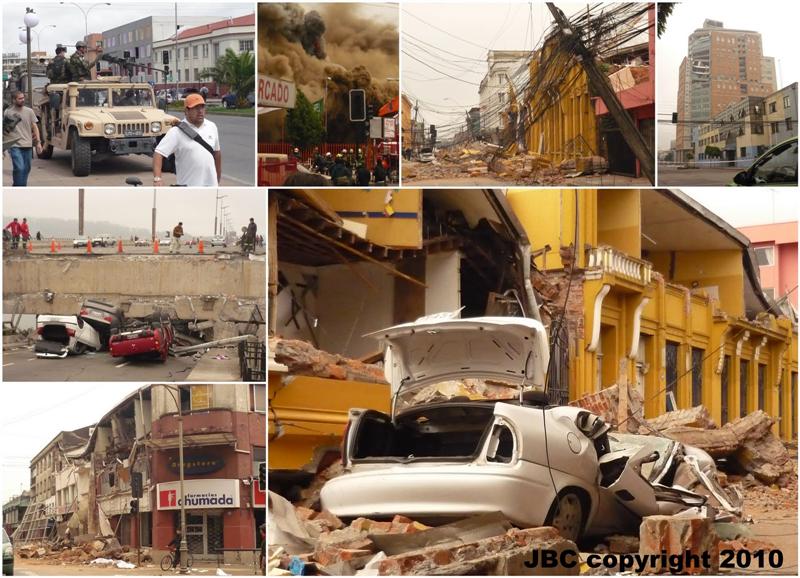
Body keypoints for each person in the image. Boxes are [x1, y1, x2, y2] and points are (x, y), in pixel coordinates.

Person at [153, 94, 221, 186]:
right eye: (196, 108)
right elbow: (158, 153)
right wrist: (157, 178)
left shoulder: (212, 126)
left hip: (211, 187)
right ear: (186, 111)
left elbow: (217, 154)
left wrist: (217, 179)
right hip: (187, 188)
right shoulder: (176, 132)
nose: (200, 111)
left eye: (202, 107)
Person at [3, 91, 43, 186]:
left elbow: (35, 127)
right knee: (19, 167)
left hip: (28, 145)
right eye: (20, 98)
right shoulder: (8, 112)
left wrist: (38, 143)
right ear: (13, 100)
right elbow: (4, 131)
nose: (22, 100)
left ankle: (18, 187)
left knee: (26, 169)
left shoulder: (29, 111)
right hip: (14, 145)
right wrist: (3, 148)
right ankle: (19, 189)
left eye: (23, 98)